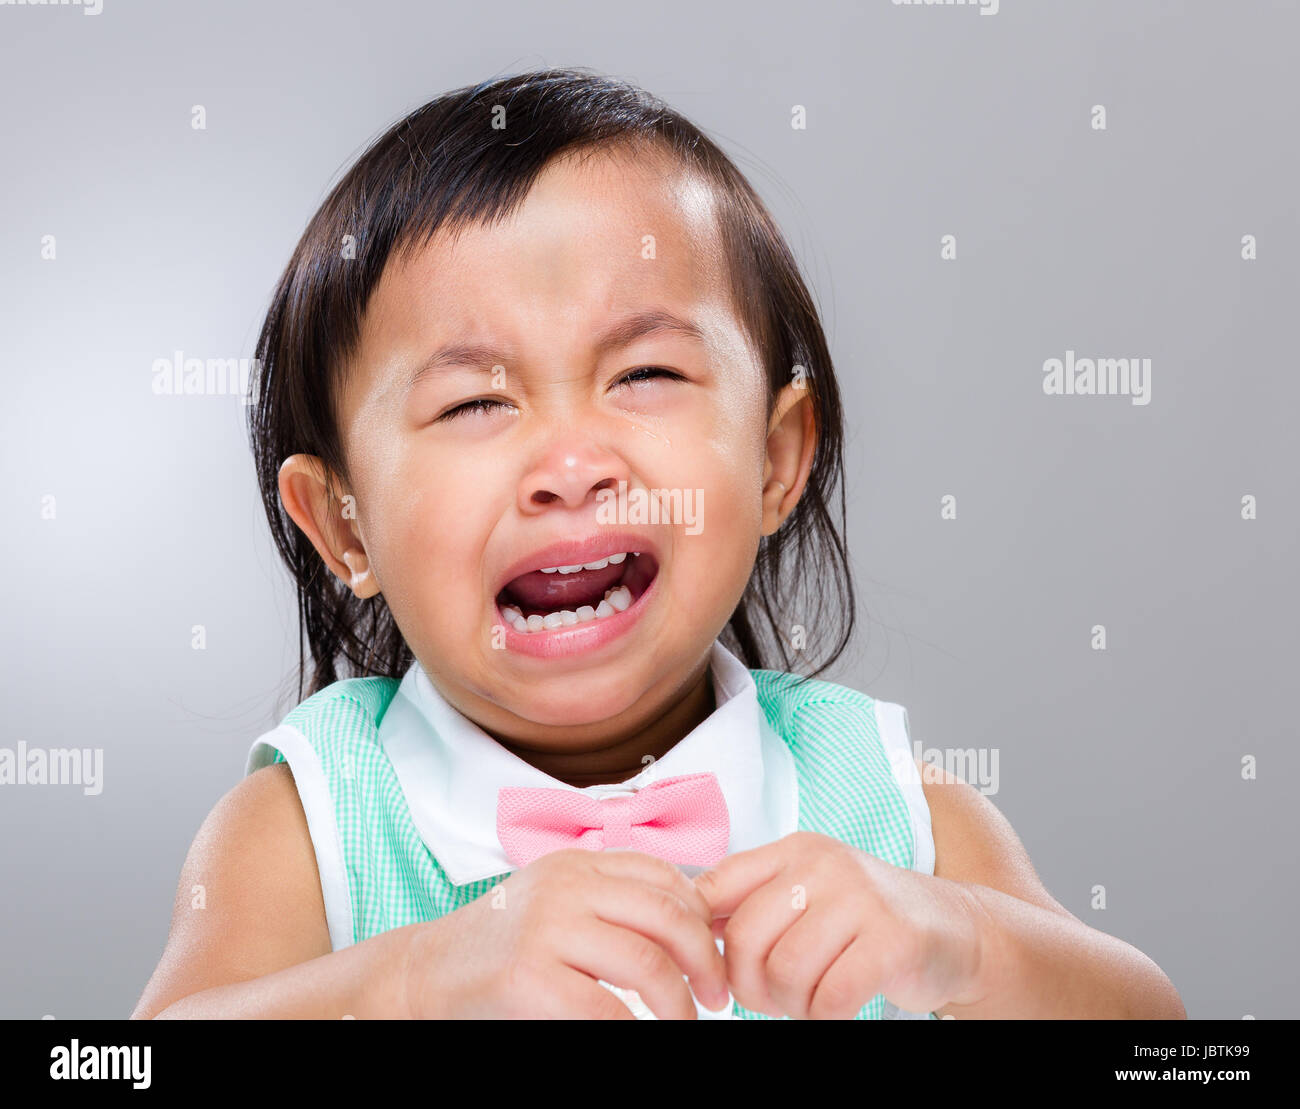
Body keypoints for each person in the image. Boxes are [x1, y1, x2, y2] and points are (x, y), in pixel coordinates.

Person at [132, 67, 1185, 1020]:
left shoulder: (881, 794)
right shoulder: (312, 818)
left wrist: (959, 943)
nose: (571, 461)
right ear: (341, 523)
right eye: (473, 401)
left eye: (644, 376)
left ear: (775, 460)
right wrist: (408, 980)